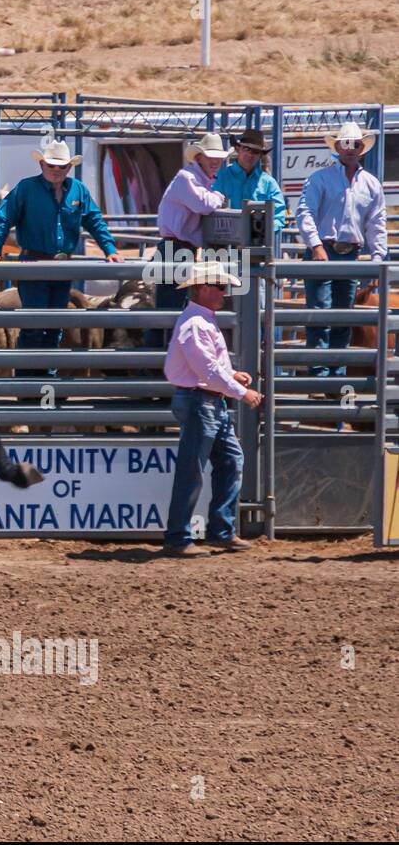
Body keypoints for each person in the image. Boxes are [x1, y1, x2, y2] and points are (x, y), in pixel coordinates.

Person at [0, 140, 123, 376]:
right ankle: (28, 379)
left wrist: (109, 249)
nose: (56, 170)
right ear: (42, 164)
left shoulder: (78, 190)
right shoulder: (26, 189)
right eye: (51, 165)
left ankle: (44, 378)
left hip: (62, 265)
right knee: (35, 323)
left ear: (69, 167)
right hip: (34, 264)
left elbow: (94, 220)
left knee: (55, 325)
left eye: (61, 167)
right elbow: (3, 218)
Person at [161, 262, 263, 558]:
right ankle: (180, 536)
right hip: (199, 401)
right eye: (220, 287)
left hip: (207, 401)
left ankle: (219, 530)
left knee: (229, 461)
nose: (224, 292)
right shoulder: (196, 323)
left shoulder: (200, 320)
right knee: (195, 470)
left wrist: (232, 376)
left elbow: (209, 365)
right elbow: (205, 367)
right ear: (204, 288)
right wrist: (241, 392)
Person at [294, 121, 388, 379]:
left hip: (350, 253)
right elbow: (305, 213)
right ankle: (321, 375)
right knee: (321, 314)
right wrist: (315, 245)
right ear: (337, 146)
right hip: (323, 249)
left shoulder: (370, 184)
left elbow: (377, 223)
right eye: (345, 143)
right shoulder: (319, 179)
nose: (350, 148)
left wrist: (378, 258)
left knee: (343, 317)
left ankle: (335, 375)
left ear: (362, 148)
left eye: (355, 144)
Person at [148, 131, 229, 347]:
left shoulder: (197, 180)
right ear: (199, 157)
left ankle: (158, 358)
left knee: (173, 307)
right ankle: (156, 358)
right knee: (170, 308)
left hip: (180, 249)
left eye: (218, 158)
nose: (215, 161)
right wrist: (219, 198)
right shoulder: (187, 178)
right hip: (175, 249)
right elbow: (204, 204)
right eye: (210, 156)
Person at [212, 128, 287, 237]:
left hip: (256, 244)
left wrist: (262, 230)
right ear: (238, 149)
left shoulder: (269, 183)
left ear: (260, 155)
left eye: (255, 151)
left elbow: (278, 215)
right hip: (227, 242)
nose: (250, 154)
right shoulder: (221, 178)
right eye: (246, 149)